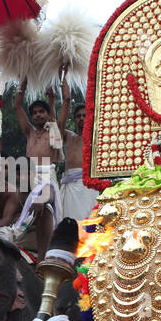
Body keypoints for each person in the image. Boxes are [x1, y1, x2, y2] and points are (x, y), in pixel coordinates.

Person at [11, 81, 64, 259]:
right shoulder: (30, 132)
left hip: (47, 178)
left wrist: (52, 98)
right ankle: (17, 236)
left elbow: (63, 106)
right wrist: (24, 82)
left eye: (42, 111)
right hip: (30, 177)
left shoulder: (54, 131)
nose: (38, 115)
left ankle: (43, 257)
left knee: (43, 199)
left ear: (48, 114)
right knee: (23, 199)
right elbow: (17, 106)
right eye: (34, 113)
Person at [58, 78, 103, 222]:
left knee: (89, 222)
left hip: (87, 186)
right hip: (70, 186)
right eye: (78, 116)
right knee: (70, 222)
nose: (81, 118)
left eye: (84, 115)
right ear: (74, 119)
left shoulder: (96, 137)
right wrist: (62, 80)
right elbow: (58, 122)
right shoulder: (69, 137)